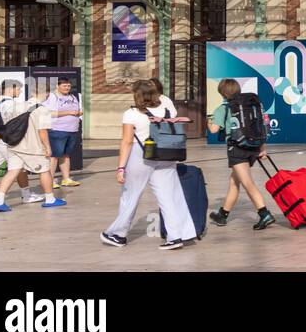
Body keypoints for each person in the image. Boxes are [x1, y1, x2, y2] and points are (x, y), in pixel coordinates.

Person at [100, 79, 196, 250]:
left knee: (131, 195)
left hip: (142, 154)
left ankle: (118, 234)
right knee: (170, 197)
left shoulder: (132, 114)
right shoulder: (166, 105)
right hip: (167, 153)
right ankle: (177, 236)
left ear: (137, 95)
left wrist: (121, 167)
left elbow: (127, 141)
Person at [205, 79, 275, 231]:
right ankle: (223, 215)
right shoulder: (252, 105)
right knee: (234, 182)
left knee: (247, 183)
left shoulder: (223, 108)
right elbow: (262, 126)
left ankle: (264, 213)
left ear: (222, 93)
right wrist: (262, 147)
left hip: (237, 149)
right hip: (253, 148)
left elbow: (214, 130)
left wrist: (209, 121)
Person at [0, 90, 66, 212]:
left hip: (14, 145)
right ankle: (50, 199)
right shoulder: (42, 109)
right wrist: (48, 147)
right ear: (47, 94)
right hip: (33, 148)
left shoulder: (17, 106)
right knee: (44, 171)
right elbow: (42, 131)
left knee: (12, 172)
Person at [0, 81, 44, 210]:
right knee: (19, 168)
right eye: (18, 89)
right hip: (6, 141)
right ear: (10, 89)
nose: (19, 91)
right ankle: (26, 195)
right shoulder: (11, 104)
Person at [44, 79, 83, 189]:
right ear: (58, 86)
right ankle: (49, 180)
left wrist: (78, 113)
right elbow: (48, 113)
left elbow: (77, 110)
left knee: (66, 155)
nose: (67, 88)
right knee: (54, 156)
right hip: (57, 130)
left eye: (69, 86)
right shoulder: (52, 97)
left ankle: (66, 179)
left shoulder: (73, 97)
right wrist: (69, 112)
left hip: (72, 130)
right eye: (64, 86)